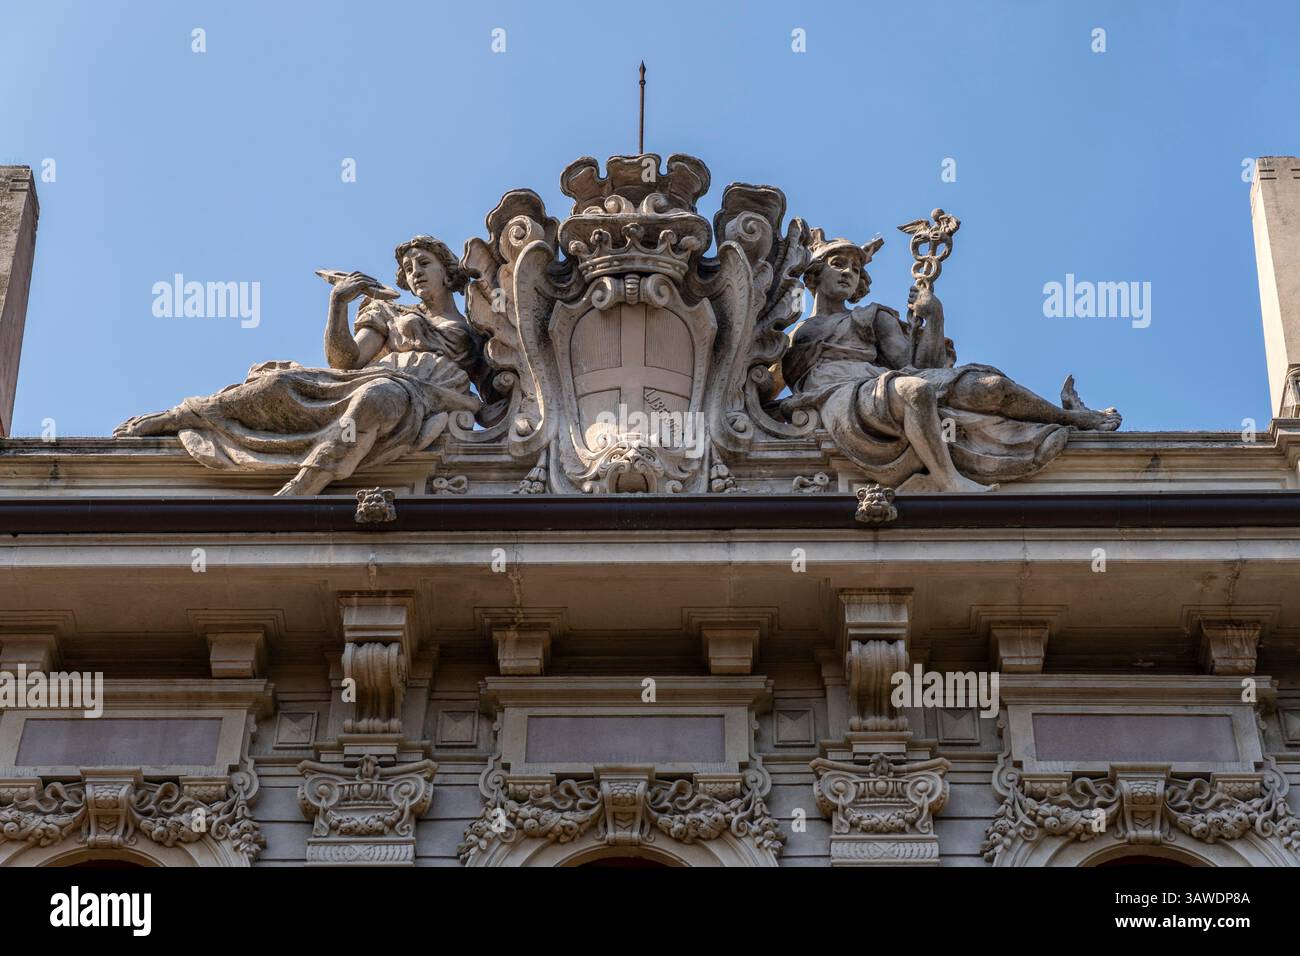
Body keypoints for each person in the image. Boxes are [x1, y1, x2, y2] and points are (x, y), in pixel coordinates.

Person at [115, 236, 482, 496]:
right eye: (407, 267)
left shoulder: (479, 321)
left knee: (378, 396)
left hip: (428, 395)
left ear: (448, 272)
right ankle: (181, 415)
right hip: (380, 377)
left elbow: (501, 381)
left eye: (424, 263)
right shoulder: (388, 311)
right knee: (279, 381)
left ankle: (307, 482)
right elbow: (345, 361)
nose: (414, 271)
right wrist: (338, 304)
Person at [781, 233, 1120, 491]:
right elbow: (764, 382)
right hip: (839, 395)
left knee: (991, 386)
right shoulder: (794, 334)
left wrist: (934, 316)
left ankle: (1072, 418)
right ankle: (949, 480)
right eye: (837, 264)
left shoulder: (872, 317)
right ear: (813, 276)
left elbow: (919, 364)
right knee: (915, 392)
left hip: (878, 383)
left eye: (855, 269)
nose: (848, 273)